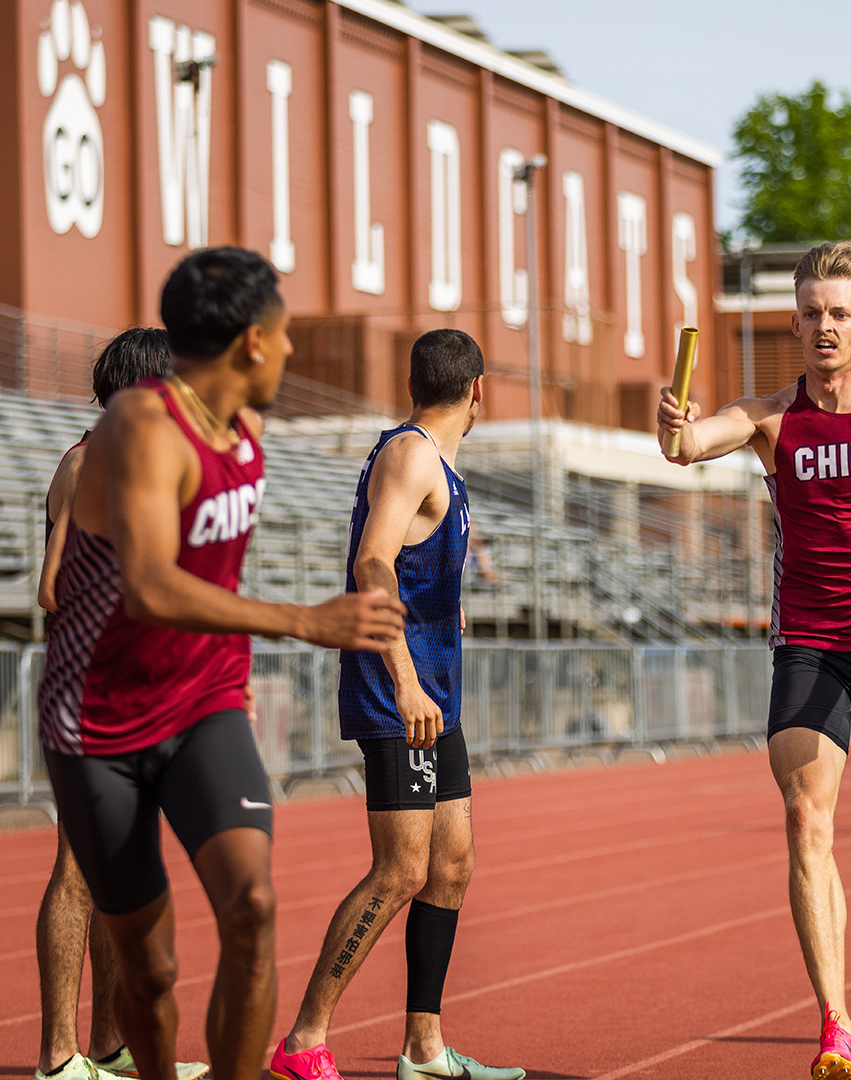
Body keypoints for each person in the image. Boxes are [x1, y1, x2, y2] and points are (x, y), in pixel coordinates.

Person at [37, 246, 405, 1080]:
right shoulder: (133, 431)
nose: (291, 351)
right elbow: (149, 587)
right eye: (283, 333)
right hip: (100, 717)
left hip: (203, 698)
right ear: (249, 341)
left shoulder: (247, 423)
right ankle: (119, 1061)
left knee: (254, 908)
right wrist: (304, 620)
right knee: (151, 965)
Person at [656, 241, 851, 1080]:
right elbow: (689, 449)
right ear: (793, 321)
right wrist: (675, 430)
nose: (823, 326)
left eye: (838, 314)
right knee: (804, 819)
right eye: (810, 313)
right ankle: (837, 1027)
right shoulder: (770, 418)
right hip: (810, 647)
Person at [272, 331, 521, 1080]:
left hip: (437, 691)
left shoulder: (444, 465)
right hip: (400, 691)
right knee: (400, 872)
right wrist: (406, 677)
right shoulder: (412, 454)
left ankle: (423, 1046)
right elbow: (373, 561)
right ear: (480, 388)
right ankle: (305, 1039)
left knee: (452, 866)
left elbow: (410, 567)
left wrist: (447, 611)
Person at [33, 326, 180, 1080]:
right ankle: (60, 1056)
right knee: (79, 870)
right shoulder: (90, 465)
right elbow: (59, 590)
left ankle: (109, 1047)